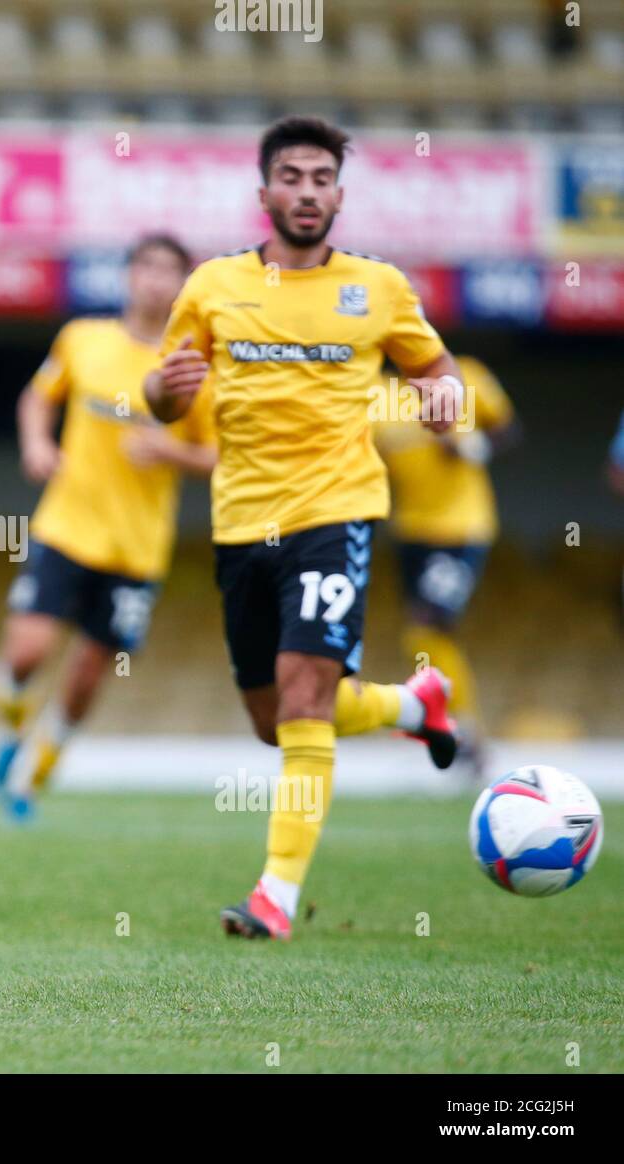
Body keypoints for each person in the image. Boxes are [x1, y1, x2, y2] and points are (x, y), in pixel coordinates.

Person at [146, 116, 463, 941]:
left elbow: (436, 366)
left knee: (301, 697)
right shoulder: (213, 286)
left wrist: (444, 395)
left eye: (322, 178)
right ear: (265, 194)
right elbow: (165, 391)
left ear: (340, 195)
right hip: (241, 522)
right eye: (292, 176)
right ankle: (413, 705)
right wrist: (164, 392)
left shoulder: (380, 289)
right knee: (271, 719)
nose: (308, 191)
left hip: (335, 512)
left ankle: (274, 898)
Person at [0, 235, 216, 819]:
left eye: (170, 271)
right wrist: (38, 443)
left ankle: (32, 779)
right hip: (66, 527)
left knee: (89, 676)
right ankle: (10, 736)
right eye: (147, 267)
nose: (157, 281)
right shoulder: (83, 338)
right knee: (25, 654)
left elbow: (221, 455)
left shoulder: (192, 371)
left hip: (136, 549)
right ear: (129, 276)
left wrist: (170, 452)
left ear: (182, 285)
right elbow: (37, 399)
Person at [375, 355, 519, 780]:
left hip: (461, 527)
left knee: (427, 627)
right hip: (411, 531)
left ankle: (466, 735)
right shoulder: (379, 392)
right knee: (419, 634)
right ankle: (442, 730)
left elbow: (508, 429)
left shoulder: (466, 377)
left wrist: (472, 446)